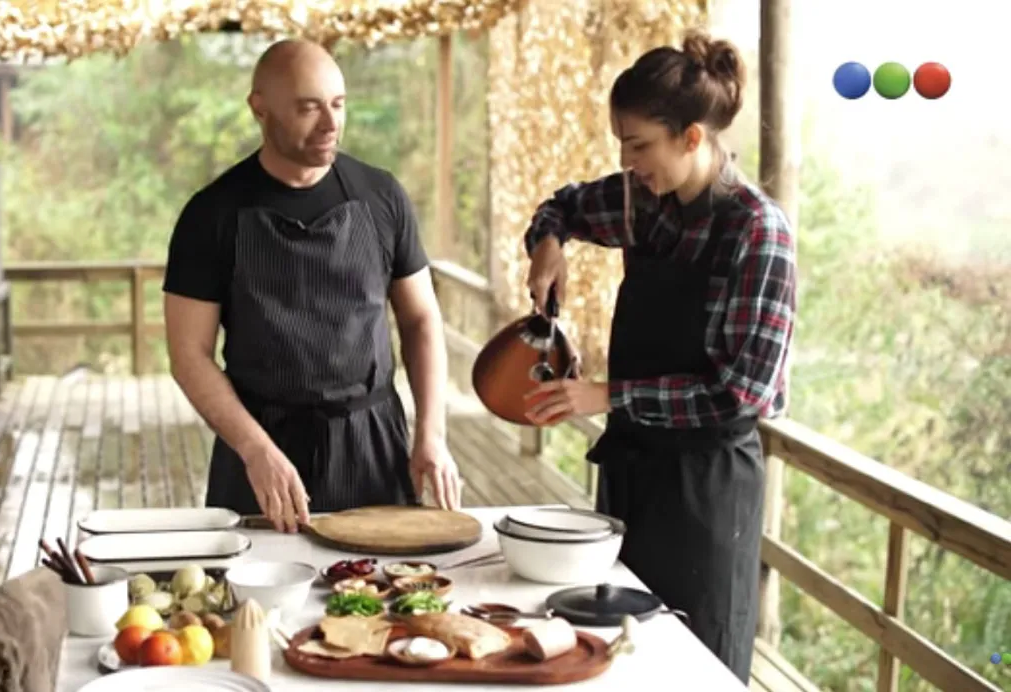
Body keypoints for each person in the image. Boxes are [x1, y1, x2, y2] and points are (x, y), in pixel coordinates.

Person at [521, 31, 797, 683]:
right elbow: (561, 204)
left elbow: (742, 394)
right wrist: (549, 243)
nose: (628, 160)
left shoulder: (758, 232)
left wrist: (610, 395)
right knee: (619, 655)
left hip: (708, 492)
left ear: (692, 137)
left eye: (639, 144)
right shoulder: (642, 202)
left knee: (692, 665)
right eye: (622, 142)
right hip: (631, 476)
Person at [162, 39, 462, 533]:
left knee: (384, 601)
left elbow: (421, 318)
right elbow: (188, 355)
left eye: (338, 104)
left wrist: (432, 432)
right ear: (259, 107)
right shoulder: (210, 215)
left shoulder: (382, 196)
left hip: (374, 445)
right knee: (252, 608)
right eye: (308, 107)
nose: (330, 124)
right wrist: (256, 450)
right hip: (261, 446)